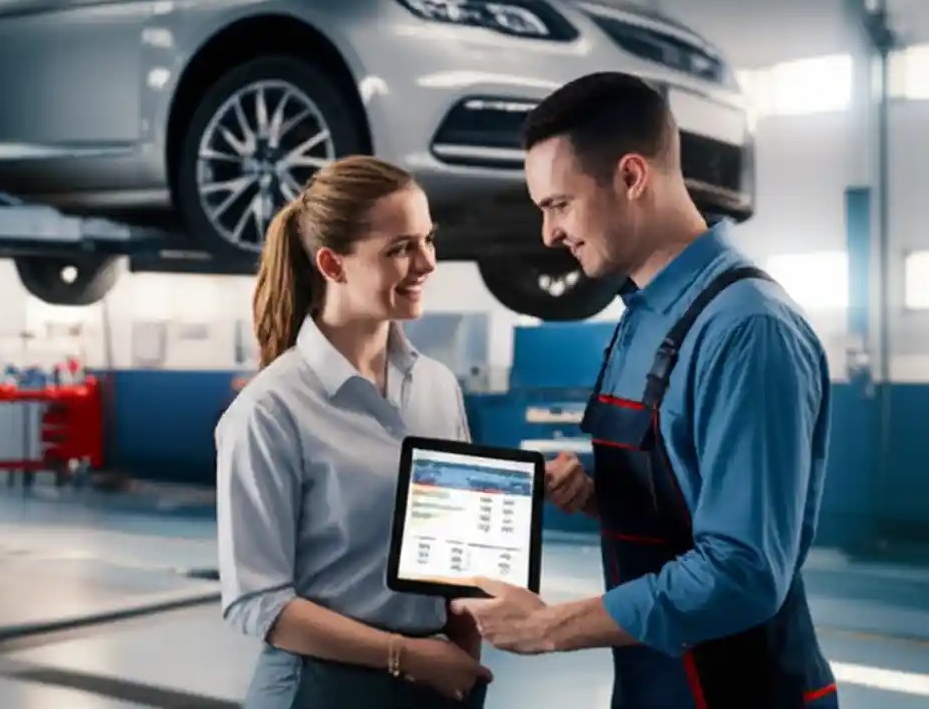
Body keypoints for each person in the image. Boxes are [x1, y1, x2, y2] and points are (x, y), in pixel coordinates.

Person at [452, 71, 839, 709]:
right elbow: (686, 500)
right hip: (652, 687)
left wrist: (551, 626)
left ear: (632, 177)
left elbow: (743, 572)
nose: (548, 234)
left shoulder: (748, 329)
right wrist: (601, 498)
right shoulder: (643, 314)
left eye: (559, 205)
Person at [215, 155, 493, 708]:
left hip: (432, 681)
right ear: (332, 264)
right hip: (320, 688)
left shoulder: (438, 388)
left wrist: (463, 653)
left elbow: (455, 556)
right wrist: (406, 655)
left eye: (428, 239)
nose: (427, 262)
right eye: (400, 248)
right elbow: (258, 602)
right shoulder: (271, 410)